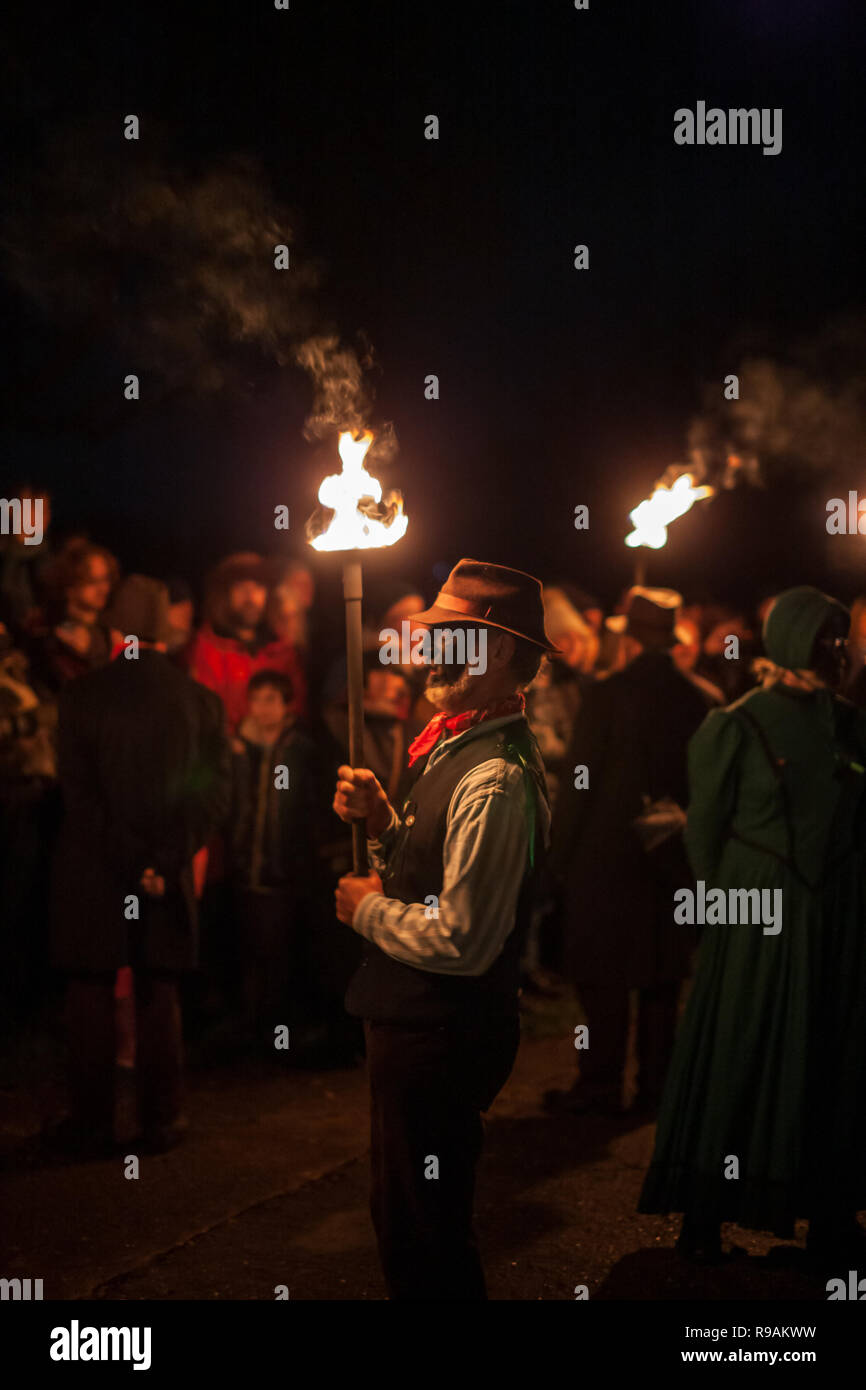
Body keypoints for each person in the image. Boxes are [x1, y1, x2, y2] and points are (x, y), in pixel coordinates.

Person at [332, 558, 553, 1300]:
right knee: (402, 1217)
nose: (429, 652)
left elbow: (462, 937)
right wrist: (385, 820)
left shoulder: (498, 776)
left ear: (501, 656)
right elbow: (435, 870)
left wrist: (368, 909)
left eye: (454, 638)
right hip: (411, 1021)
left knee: (426, 1232)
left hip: (441, 1031)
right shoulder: (454, 742)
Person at [639, 586, 866, 1266]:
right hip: (758, 907)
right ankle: (705, 1212)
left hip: (837, 914)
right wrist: (725, 916)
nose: (835, 648)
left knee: (830, 1051)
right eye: (821, 635)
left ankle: (827, 1209)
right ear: (788, 638)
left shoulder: (851, 723)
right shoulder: (736, 723)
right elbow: (704, 833)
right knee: (742, 1041)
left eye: (840, 635)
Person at [47, 576, 232, 1158]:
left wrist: (129, 859)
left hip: (95, 870)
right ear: (163, 631)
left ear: (115, 630)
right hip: (163, 869)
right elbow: (213, 796)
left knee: (91, 992)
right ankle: (163, 1119)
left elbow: (80, 797)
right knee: (158, 990)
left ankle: (91, 1123)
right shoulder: (199, 700)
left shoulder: (81, 696)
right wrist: (163, 860)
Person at [547, 586, 719, 1117]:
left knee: (602, 980)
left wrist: (559, 859)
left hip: (605, 856)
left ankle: (599, 1086)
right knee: (661, 979)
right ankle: (656, 1089)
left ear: (632, 638)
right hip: (672, 861)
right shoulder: (702, 698)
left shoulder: (606, 695)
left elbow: (580, 781)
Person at [230, 669, 321, 1044]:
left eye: (271, 699)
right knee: (245, 955)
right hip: (242, 871)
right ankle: (249, 1031)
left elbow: (308, 809)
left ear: (287, 705)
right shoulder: (238, 748)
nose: (262, 708)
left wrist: (299, 860)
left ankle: (276, 1036)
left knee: (279, 959)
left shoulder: (300, 749)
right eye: (257, 699)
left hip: (282, 872)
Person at [186, 552, 307, 734]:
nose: (250, 597)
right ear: (225, 594)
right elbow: (203, 713)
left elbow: (297, 708)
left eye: (258, 587)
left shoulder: (283, 650)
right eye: (241, 587)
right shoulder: (206, 649)